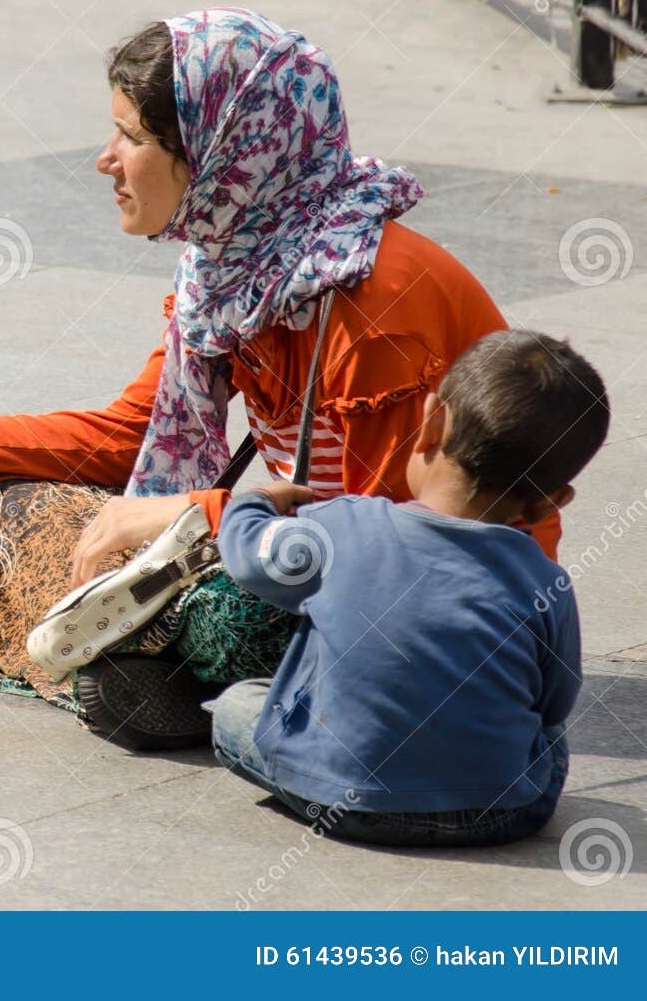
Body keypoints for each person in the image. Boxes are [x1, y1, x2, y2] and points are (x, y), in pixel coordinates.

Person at [0, 7, 561, 749]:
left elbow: (384, 539)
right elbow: (128, 437)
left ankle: (142, 676)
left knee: (236, 612)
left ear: (223, 153)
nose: (105, 161)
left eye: (132, 137)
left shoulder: (376, 298)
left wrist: (174, 517)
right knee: (3, 508)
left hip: (415, 602)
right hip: (289, 536)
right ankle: (139, 676)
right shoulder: (228, 269)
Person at [209, 329, 606, 846]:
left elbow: (246, 555)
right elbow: (554, 704)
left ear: (429, 425)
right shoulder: (545, 581)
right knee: (546, 737)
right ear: (551, 502)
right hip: (499, 812)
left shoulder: (341, 528)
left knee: (237, 707)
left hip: (334, 798)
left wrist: (256, 501)